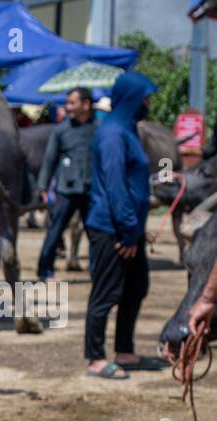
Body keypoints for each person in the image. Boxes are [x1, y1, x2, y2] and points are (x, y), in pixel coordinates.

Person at [83, 72, 158, 380]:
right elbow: (116, 186)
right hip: (112, 229)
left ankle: (124, 350)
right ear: (131, 98)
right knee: (106, 291)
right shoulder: (113, 134)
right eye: (145, 97)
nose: (148, 103)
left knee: (136, 286)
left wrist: (138, 227)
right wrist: (128, 229)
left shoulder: (127, 130)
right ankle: (96, 358)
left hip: (129, 229)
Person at [36, 87, 98, 281]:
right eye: (67, 103)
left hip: (91, 189)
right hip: (66, 189)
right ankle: (45, 270)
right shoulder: (61, 131)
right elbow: (49, 160)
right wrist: (42, 187)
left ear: (86, 105)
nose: (68, 107)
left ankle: (97, 271)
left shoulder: (98, 129)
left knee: (96, 234)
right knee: (55, 230)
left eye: (72, 103)